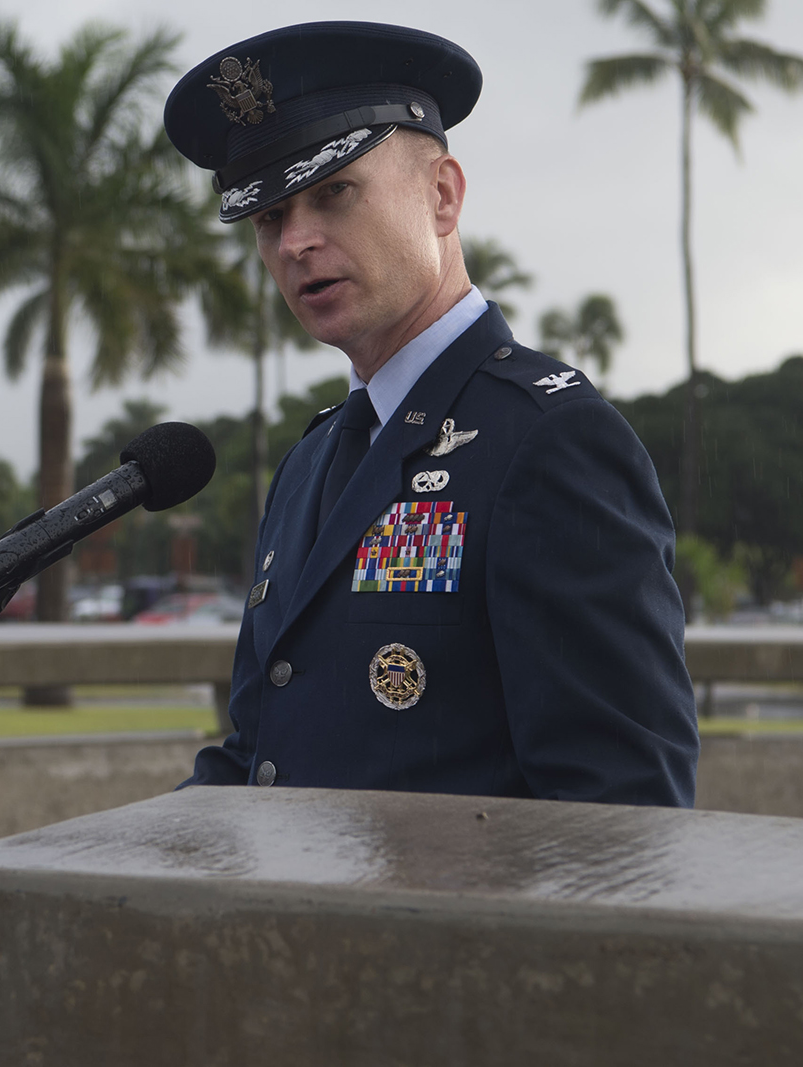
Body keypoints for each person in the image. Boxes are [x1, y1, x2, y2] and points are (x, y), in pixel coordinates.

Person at [165, 22, 698, 805]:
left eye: (333, 192)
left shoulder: (548, 441)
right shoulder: (311, 462)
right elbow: (257, 750)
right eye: (271, 218)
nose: (296, 242)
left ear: (442, 195)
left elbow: (624, 807)